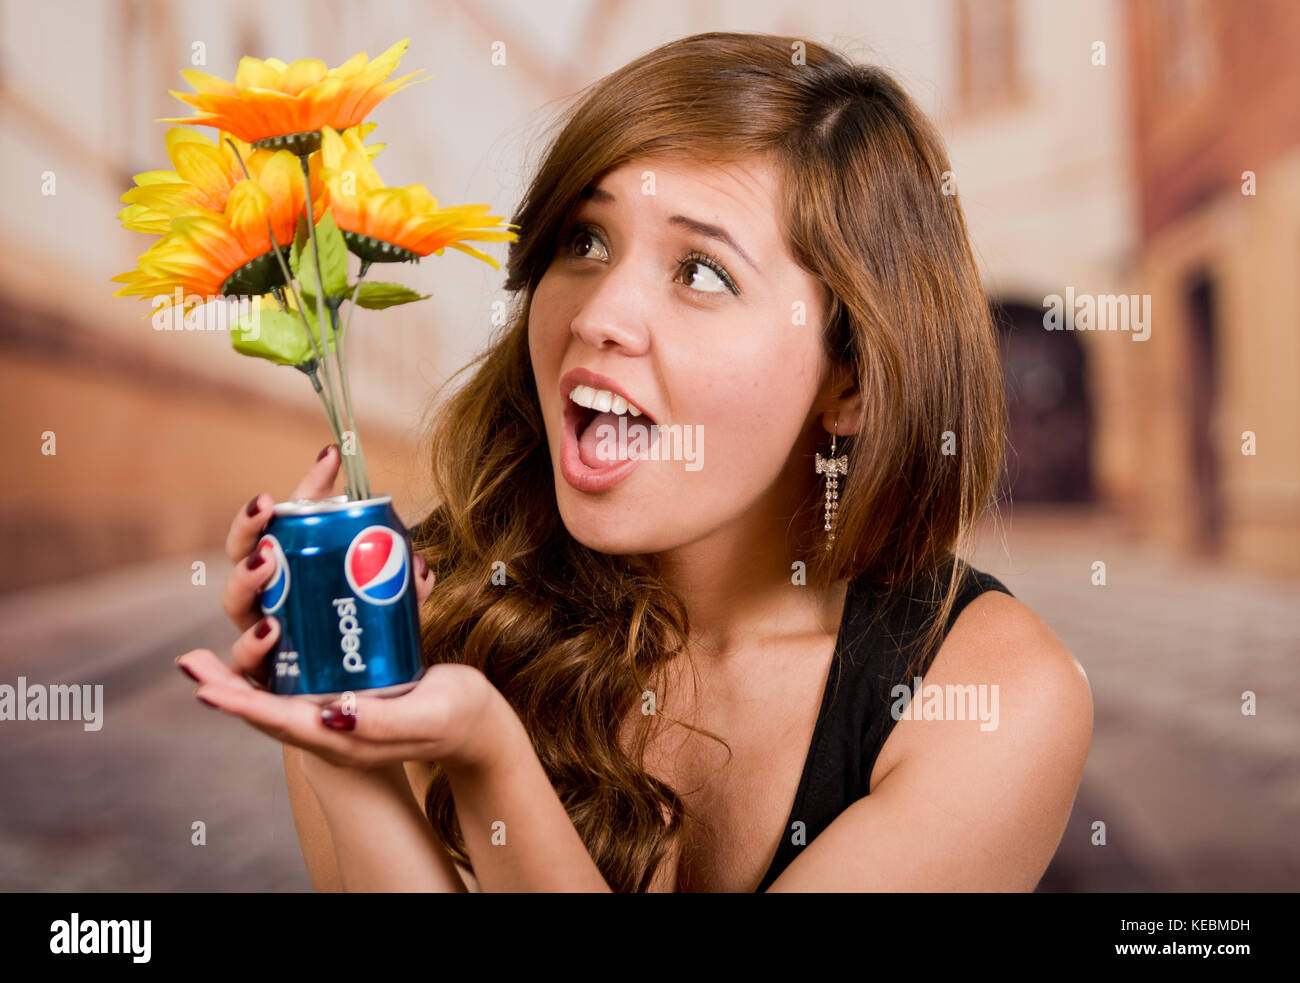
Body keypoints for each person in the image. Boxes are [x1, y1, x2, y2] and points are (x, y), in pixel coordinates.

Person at [177, 31, 1092, 893]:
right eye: (586, 240)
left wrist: (489, 757)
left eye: (701, 273)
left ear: (849, 381)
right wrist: (342, 721)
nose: (597, 313)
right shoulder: (422, 609)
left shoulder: (992, 694)